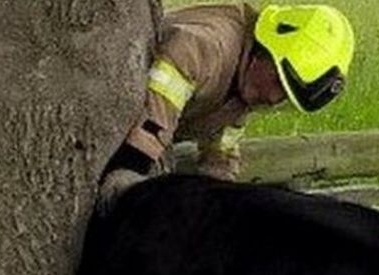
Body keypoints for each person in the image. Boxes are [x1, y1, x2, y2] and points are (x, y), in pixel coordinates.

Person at [99, 3, 355, 200]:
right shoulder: (209, 47)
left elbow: (223, 141)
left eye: (285, 96)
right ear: (263, 50)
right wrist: (131, 166)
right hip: (106, 121)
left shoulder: (250, 81)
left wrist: (219, 192)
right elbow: (160, 108)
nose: (273, 98)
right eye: (278, 83)